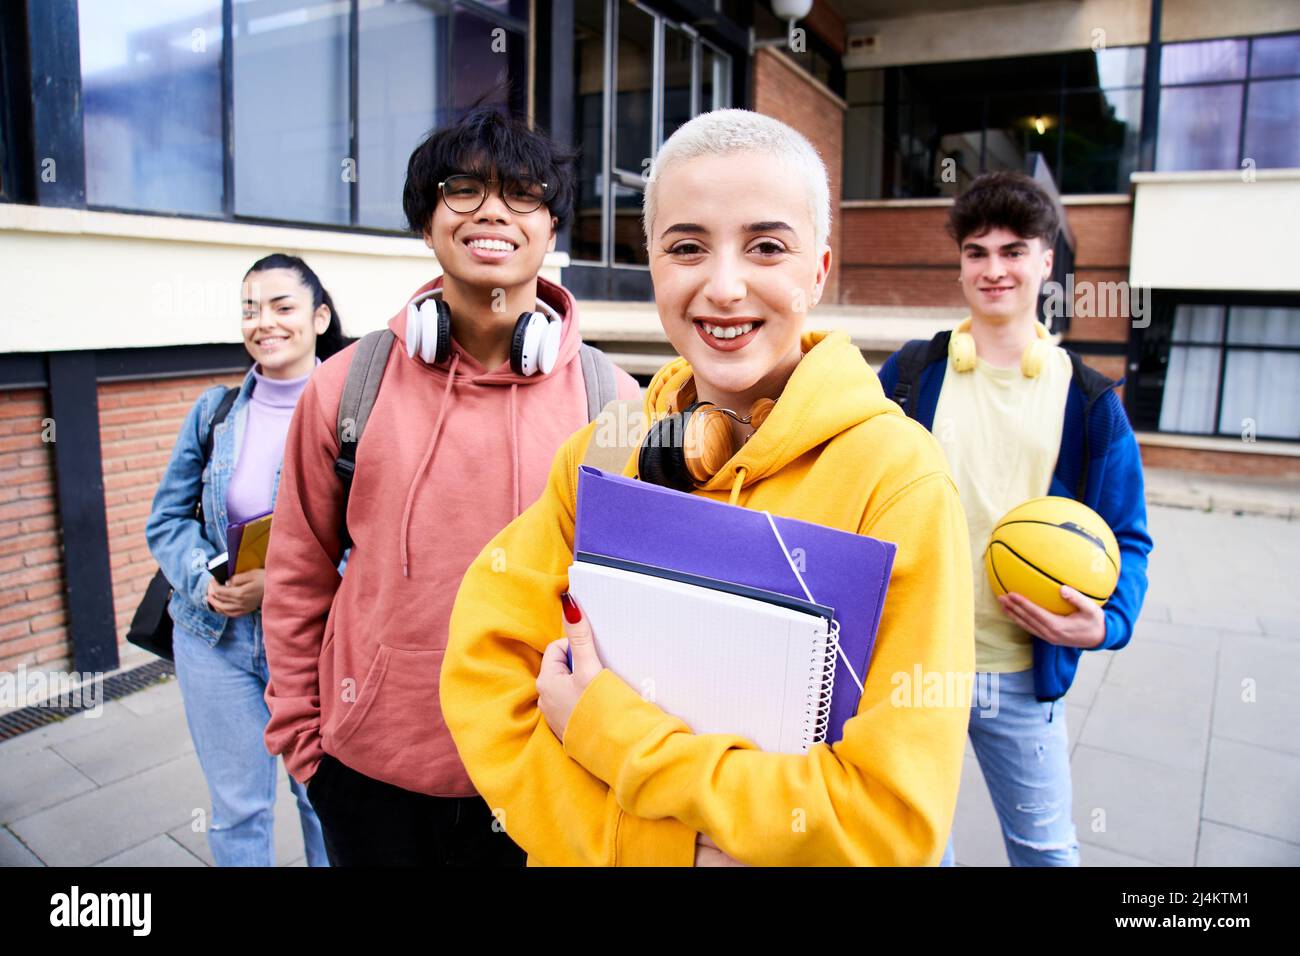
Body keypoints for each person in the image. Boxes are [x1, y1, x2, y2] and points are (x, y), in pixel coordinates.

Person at [440, 109, 975, 866]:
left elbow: (889, 820)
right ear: (652, 261)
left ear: (818, 269)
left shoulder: (899, 481)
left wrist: (606, 728)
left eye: (766, 247)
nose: (725, 287)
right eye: (687, 246)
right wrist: (657, 846)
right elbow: (487, 675)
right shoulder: (610, 443)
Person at [260, 107, 640, 867]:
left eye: (523, 192)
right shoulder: (345, 388)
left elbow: (635, 607)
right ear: (427, 225)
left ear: (552, 229)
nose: (493, 209)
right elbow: (295, 574)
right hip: (369, 775)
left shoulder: (616, 405)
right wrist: (306, 747)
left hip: (544, 771)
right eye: (463, 188)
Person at [878, 170, 1154, 866]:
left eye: (1012, 250)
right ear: (961, 263)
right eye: (977, 252)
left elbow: (1129, 535)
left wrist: (1107, 620)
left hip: (1021, 670)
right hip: (916, 660)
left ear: (1045, 260)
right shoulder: (912, 375)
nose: (994, 269)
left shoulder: (1090, 401)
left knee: (1045, 852)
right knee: (914, 852)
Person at [146, 253, 348, 867]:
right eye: (250, 309)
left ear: (319, 317)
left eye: (283, 307)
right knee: (237, 811)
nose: (265, 322)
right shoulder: (214, 413)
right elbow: (167, 520)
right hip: (215, 640)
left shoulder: (352, 416)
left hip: (315, 642)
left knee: (325, 800)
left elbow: (372, 539)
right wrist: (206, 576)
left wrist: (282, 584)